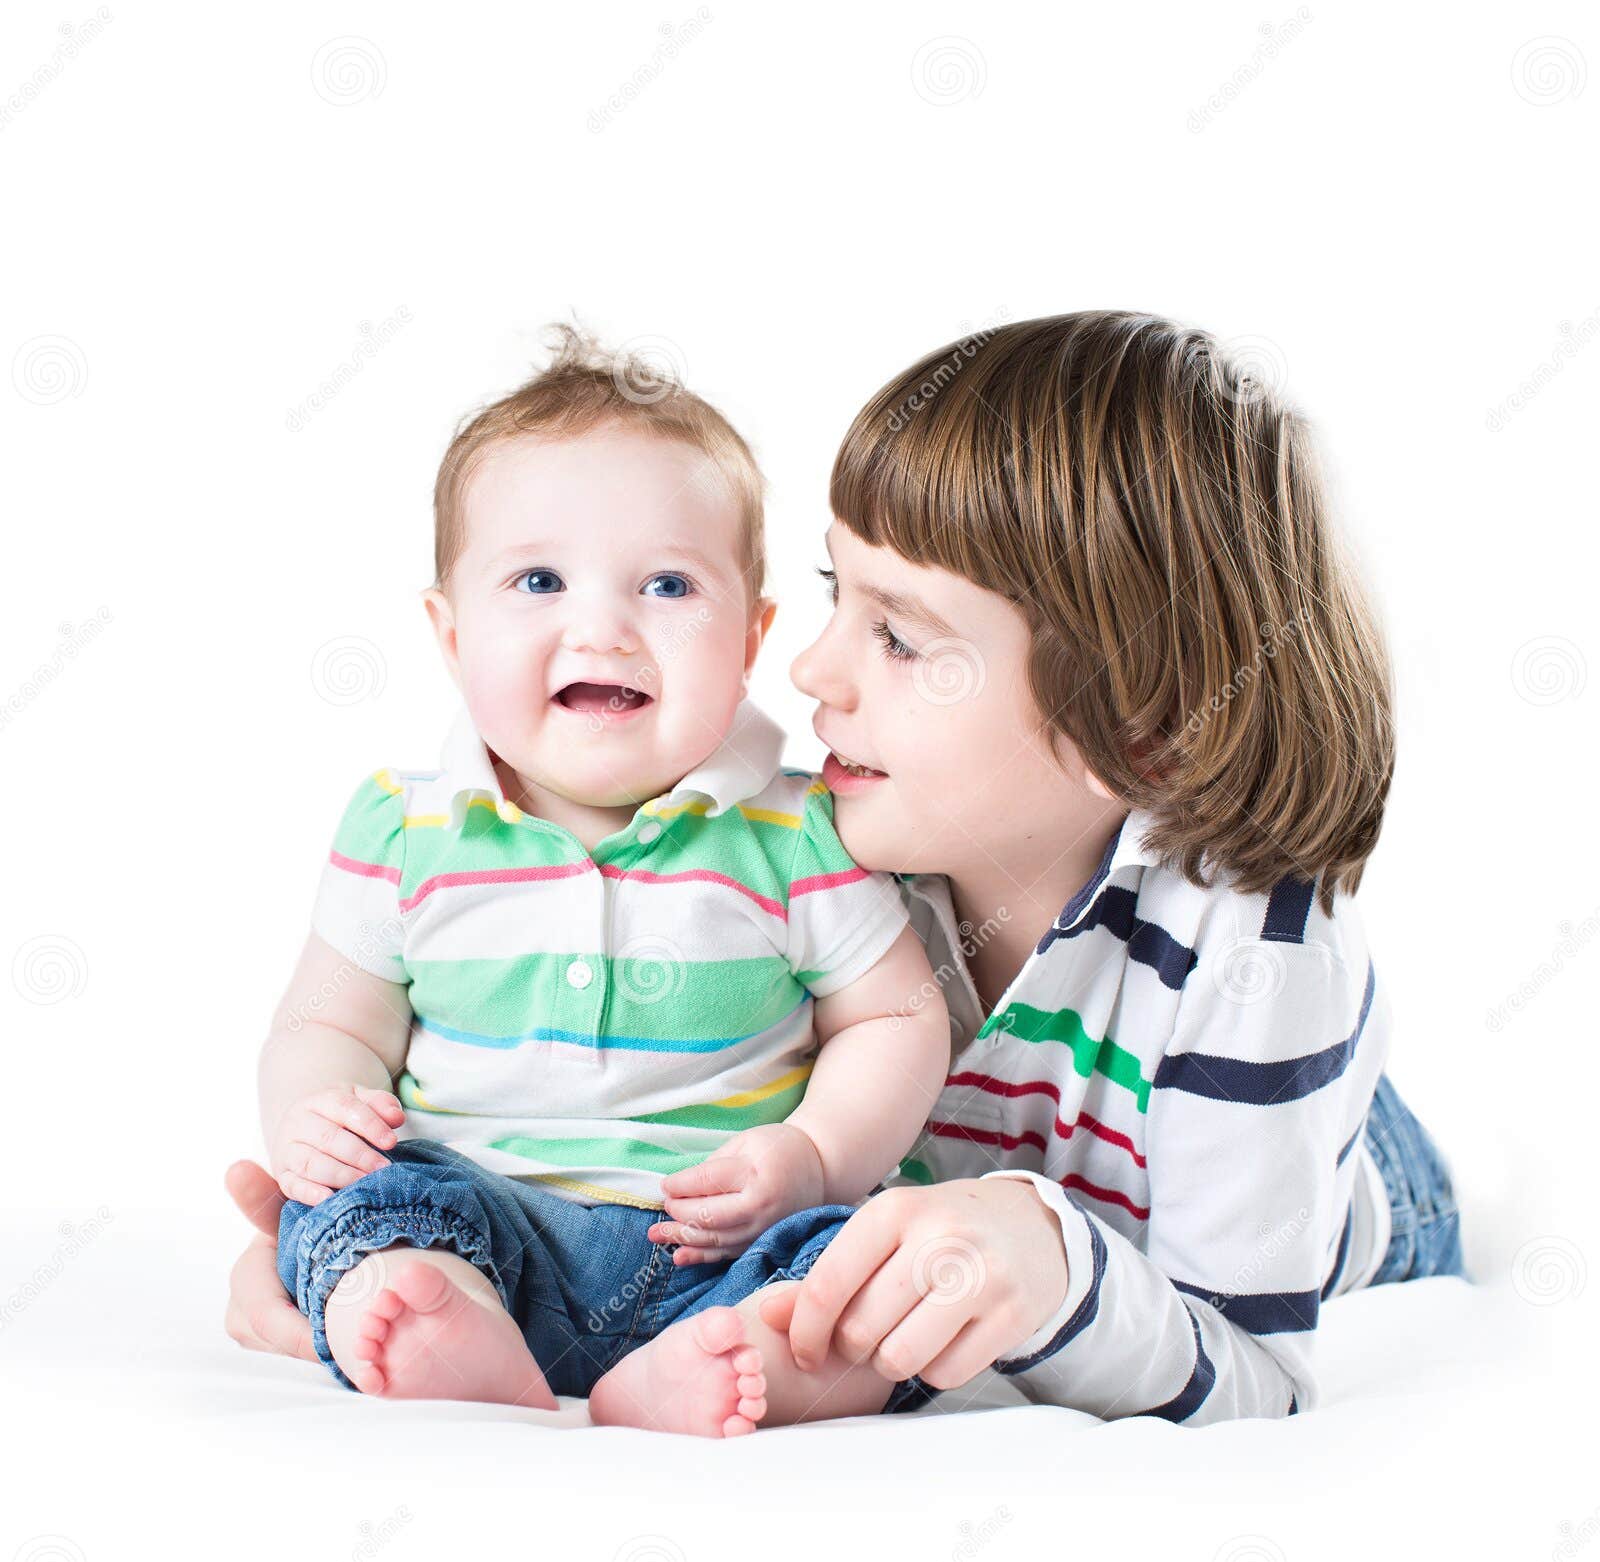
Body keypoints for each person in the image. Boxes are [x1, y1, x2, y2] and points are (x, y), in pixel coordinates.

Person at [231, 310, 1464, 1426]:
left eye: (898, 632)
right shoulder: (835, 842)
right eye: (836, 593)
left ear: (1130, 725)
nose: (812, 673)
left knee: (1344, 1190)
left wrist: (1051, 1260)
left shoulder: (1257, 964)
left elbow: (1254, 1376)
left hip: (1324, 1181)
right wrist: (352, 1252)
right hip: (974, 1214)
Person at [260, 328, 950, 1437]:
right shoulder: (405, 825)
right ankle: (443, 1325)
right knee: (361, 1209)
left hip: (719, 1247)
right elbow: (323, 1021)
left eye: (668, 585)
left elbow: (900, 1017)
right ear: (448, 631)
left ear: (748, 639)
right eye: (537, 580)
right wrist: (315, 1114)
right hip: (478, 1218)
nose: (602, 626)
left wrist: (816, 1153)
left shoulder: (793, 828)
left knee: (876, 1263)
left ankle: (735, 1360)